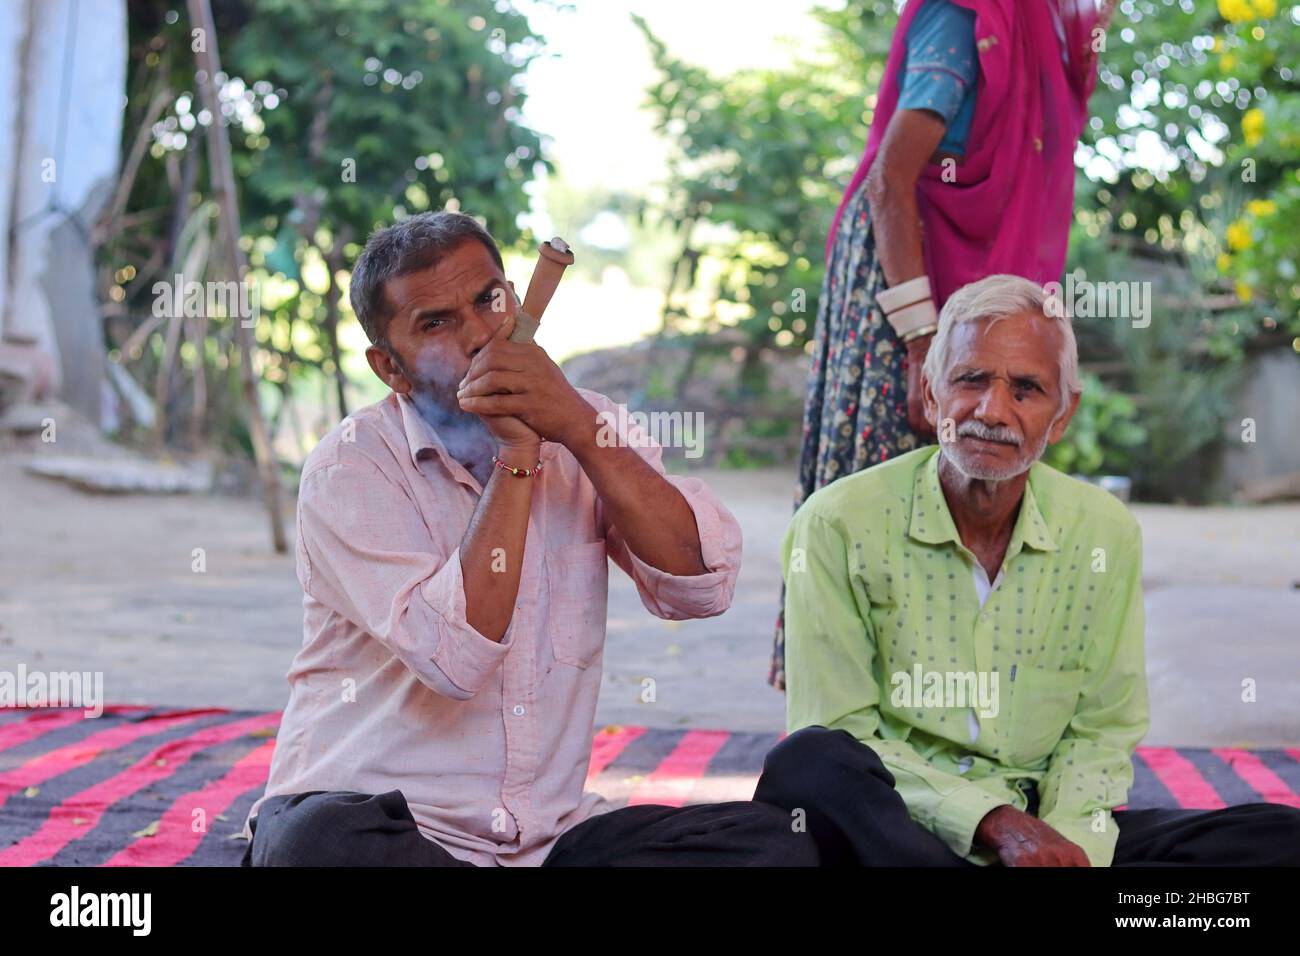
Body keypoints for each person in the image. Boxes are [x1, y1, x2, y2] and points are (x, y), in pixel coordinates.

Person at [238, 211, 821, 867]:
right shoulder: (350, 469)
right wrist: (518, 454)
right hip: (382, 824)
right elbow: (457, 659)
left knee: (778, 848)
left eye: (489, 300)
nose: (483, 334)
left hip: (544, 843)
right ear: (390, 368)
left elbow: (699, 587)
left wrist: (573, 423)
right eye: (437, 323)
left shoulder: (583, 422)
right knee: (314, 851)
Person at [762, 274, 1300, 866]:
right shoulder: (837, 523)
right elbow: (839, 733)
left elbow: (1101, 730)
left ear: (1061, 415)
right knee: (808, 762)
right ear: (933, 394)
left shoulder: (1102, 531)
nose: (993, 411)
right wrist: (994, 824)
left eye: (1026, 388)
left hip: (1043, 825)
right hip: (899, 829)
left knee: (1275, 837)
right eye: (971, 380)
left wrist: (1069, 850)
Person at [770, 0, 1118, 689]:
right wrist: (923, 349)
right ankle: (847, 718)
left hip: (979, 307)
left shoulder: (1054, 29)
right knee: (887, 501)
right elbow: (889, 181)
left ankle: (957, 712)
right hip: (907, 291)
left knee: (976, 498)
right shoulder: (969, 15)